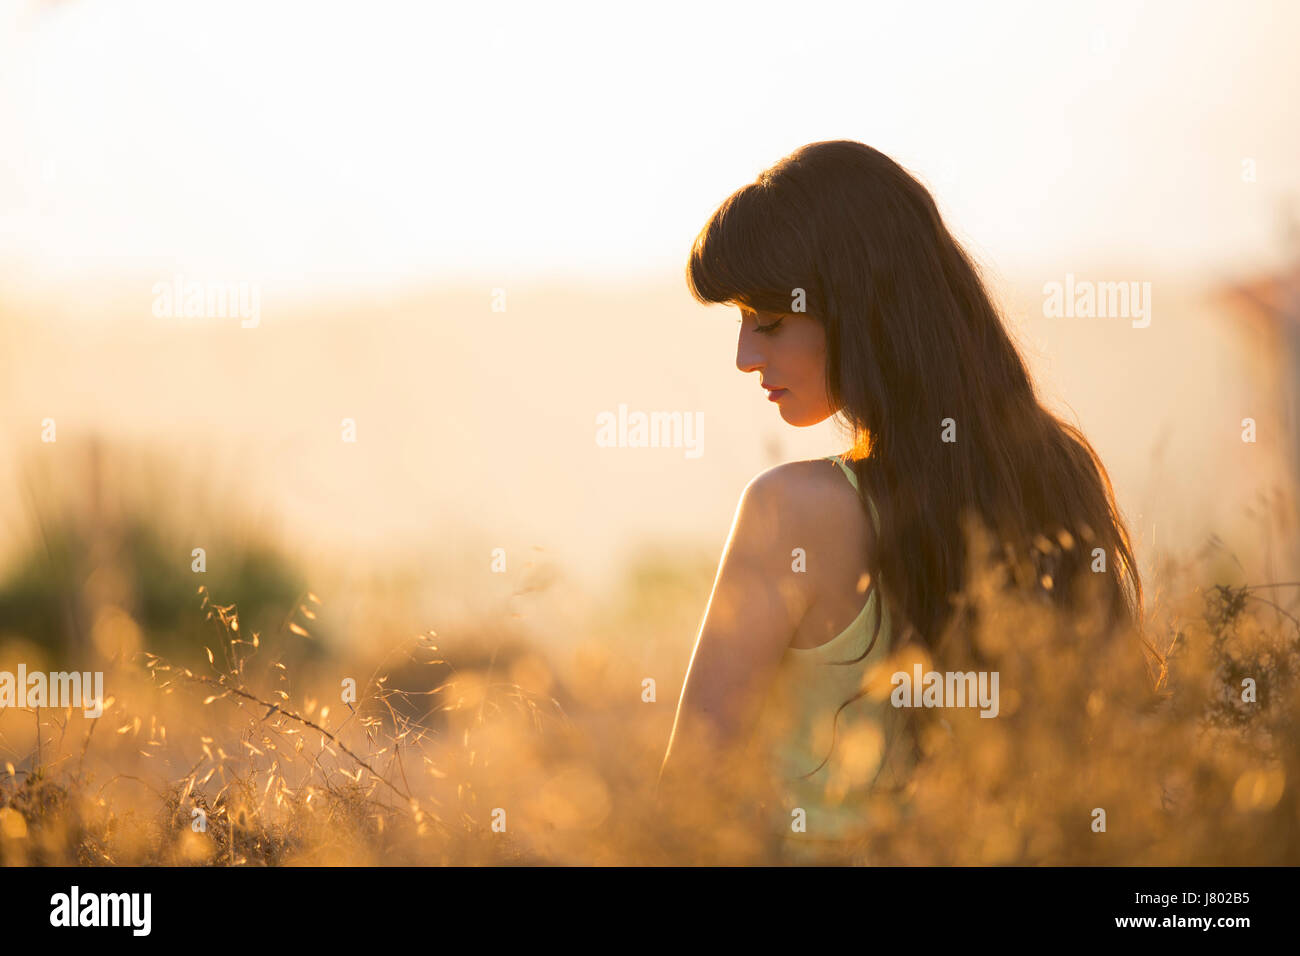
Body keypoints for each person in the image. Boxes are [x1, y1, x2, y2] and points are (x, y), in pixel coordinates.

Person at [655, 140, 1143, 864]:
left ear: (858, 308)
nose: (745, 357)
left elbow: (688, 796)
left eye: (769, 321)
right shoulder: (1058, 472)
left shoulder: (792, 509)